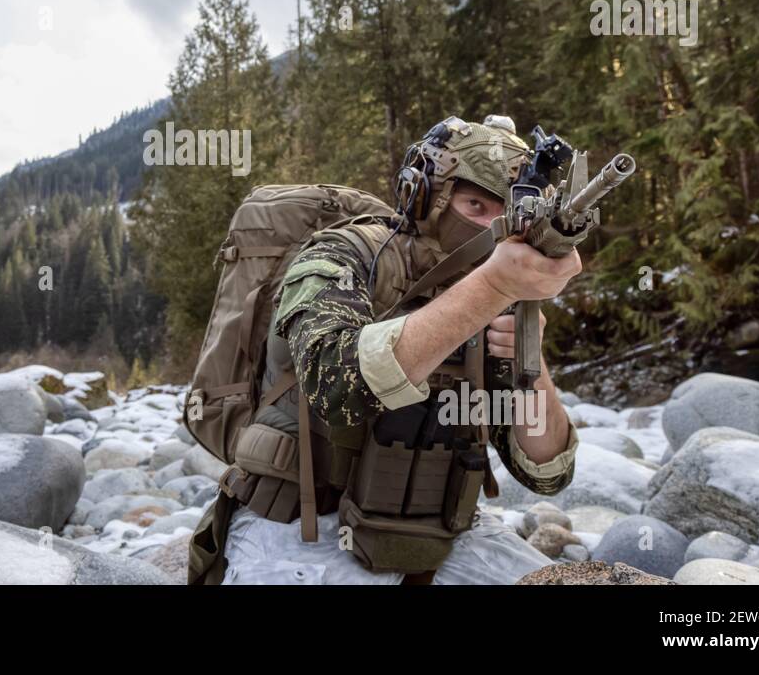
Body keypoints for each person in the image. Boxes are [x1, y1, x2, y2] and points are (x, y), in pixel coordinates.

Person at [213, 115, 582, 584]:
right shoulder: (341, 256)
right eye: (475, 205)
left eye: (505, 213)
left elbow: (546, 471)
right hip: (301, 523)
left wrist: (530, 360)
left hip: (441, 534)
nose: (495, 228)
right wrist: (490, 286)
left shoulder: (497, 298)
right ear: (423, 196)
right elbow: (335, 386)